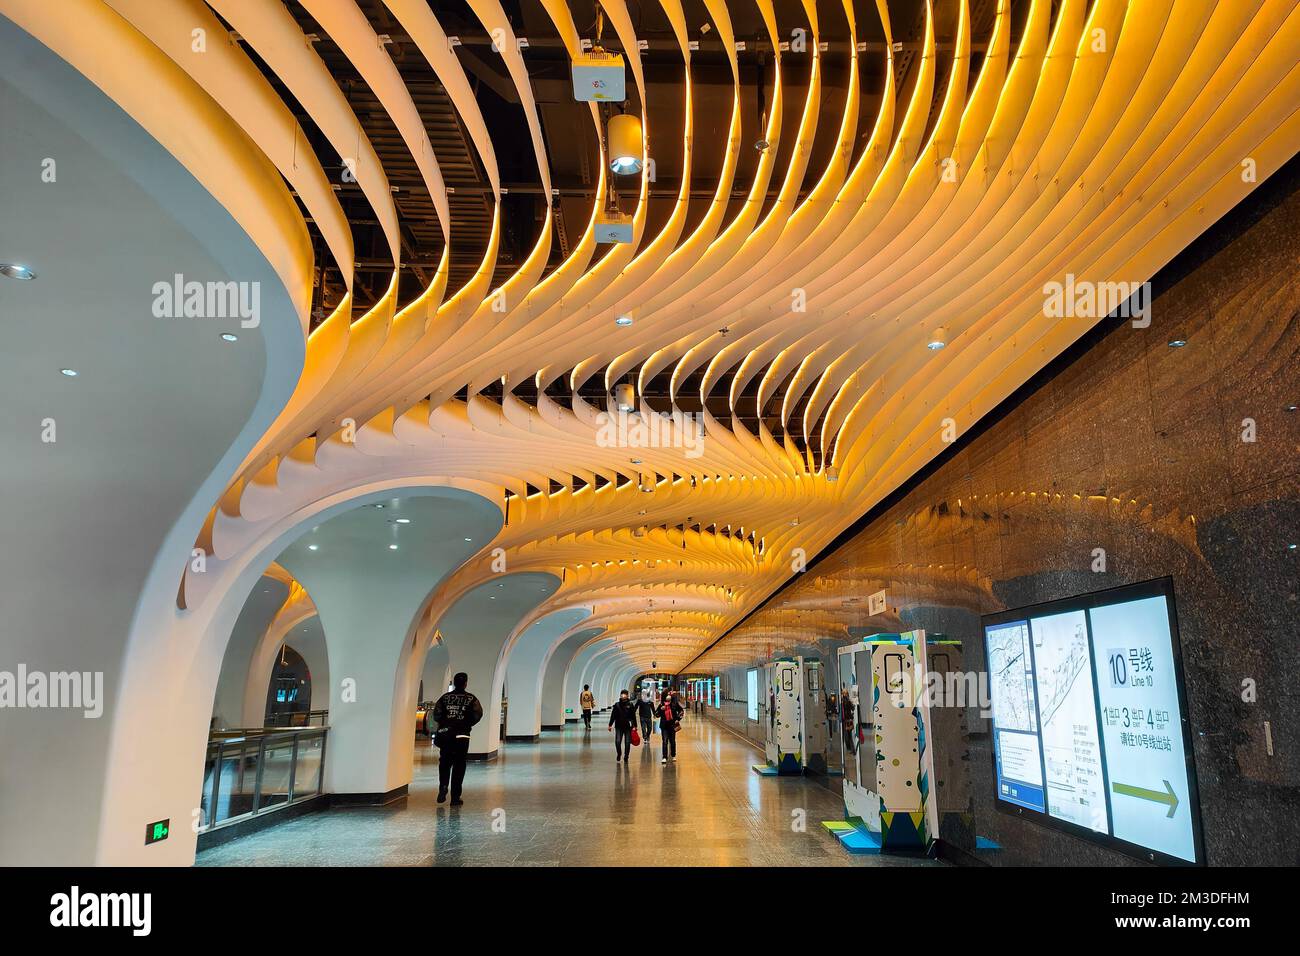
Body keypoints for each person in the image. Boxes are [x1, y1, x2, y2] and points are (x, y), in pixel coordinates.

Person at [432, 672, 483, 806]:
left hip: (446, 735)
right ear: (465, 683)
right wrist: (466, 724)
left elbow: (436, 714)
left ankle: (443, 787)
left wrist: (445, 723)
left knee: (444, 762)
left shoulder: (445, 698)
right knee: (459, 765)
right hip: (462, 736)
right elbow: (478, 714)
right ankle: (455, 797)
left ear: (454, 683)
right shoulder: (471, 698)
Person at [608, 689, 638, 763]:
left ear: (627, 696)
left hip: (628, 726)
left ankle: (626, 756)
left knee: (627, 742)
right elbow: (613, 715)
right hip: (618, 726)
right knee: (618, 741)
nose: (623, 696)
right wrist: (610, 724)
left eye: (624, 694)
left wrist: (635, 726)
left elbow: (633, 716)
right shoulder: (617, 705)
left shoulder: (630, 705)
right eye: (622, 694)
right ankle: (619, 753)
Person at [656, 691, 682, 764]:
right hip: (664, 726)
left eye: (669, 695)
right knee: (665, 741)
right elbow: (656, 714)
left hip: (672, 725)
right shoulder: (661, 704)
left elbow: (681, 711)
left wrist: (678, 719)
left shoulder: (674, 704)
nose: (668, 696)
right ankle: (664, 757)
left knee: (672, 741)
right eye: (667, 695)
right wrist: (661, 710)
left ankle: (673, 755)